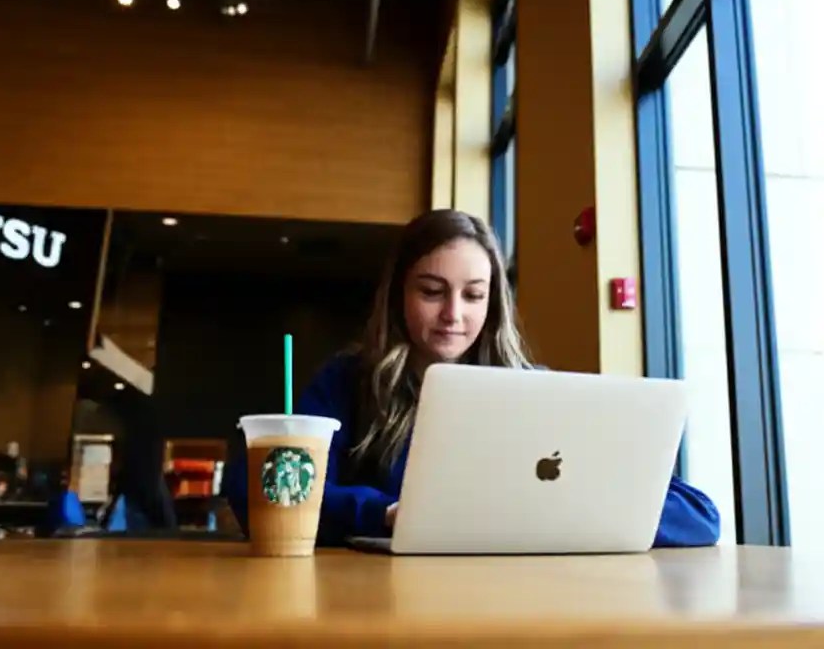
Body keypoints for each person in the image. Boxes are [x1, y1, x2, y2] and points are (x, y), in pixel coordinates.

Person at [222, 209, 720, 547]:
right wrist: (388, 513)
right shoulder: (349, 381)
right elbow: (258, 490)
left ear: (493, 301)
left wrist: (560, 512)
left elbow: (698, 518)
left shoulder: (539, 394)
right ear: (399, 294)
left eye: (473, 294)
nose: (453, 314)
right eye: (433, 291)